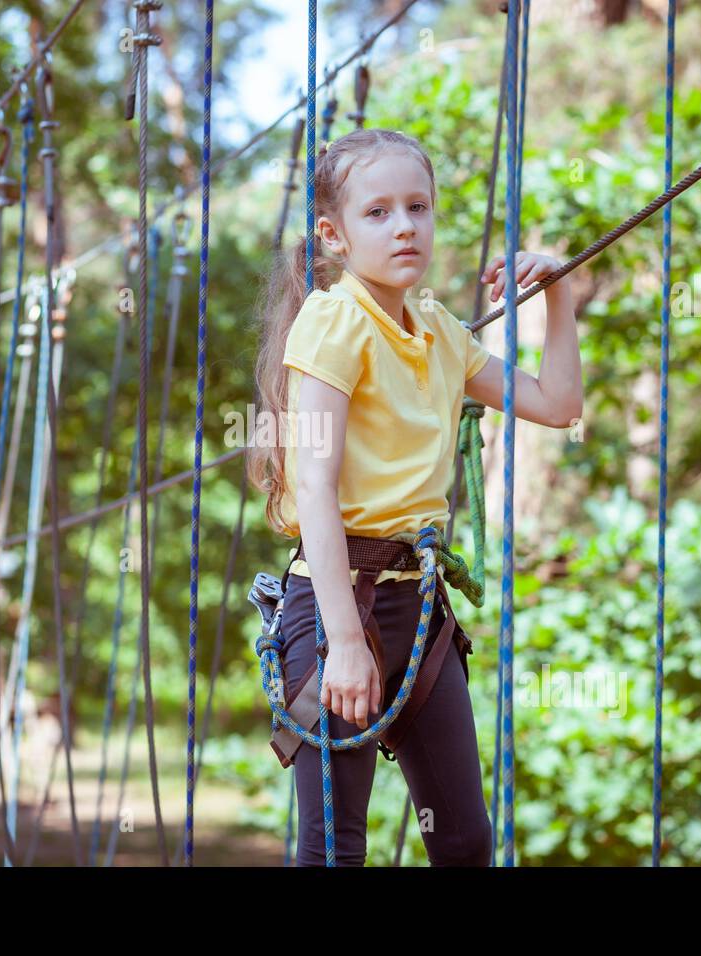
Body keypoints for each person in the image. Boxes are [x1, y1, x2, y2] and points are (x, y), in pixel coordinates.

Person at [247, 127, 583, 866]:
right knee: (335, 845)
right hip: (341, 604)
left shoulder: (439, 330)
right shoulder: (333, 321)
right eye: (378, 213)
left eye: (418, 207)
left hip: (421, 610)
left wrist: (558, 294)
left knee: (463, 841)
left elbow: (558, 404)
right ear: (334, 236)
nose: (405, 225)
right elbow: (315, 483)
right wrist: (343, 644)